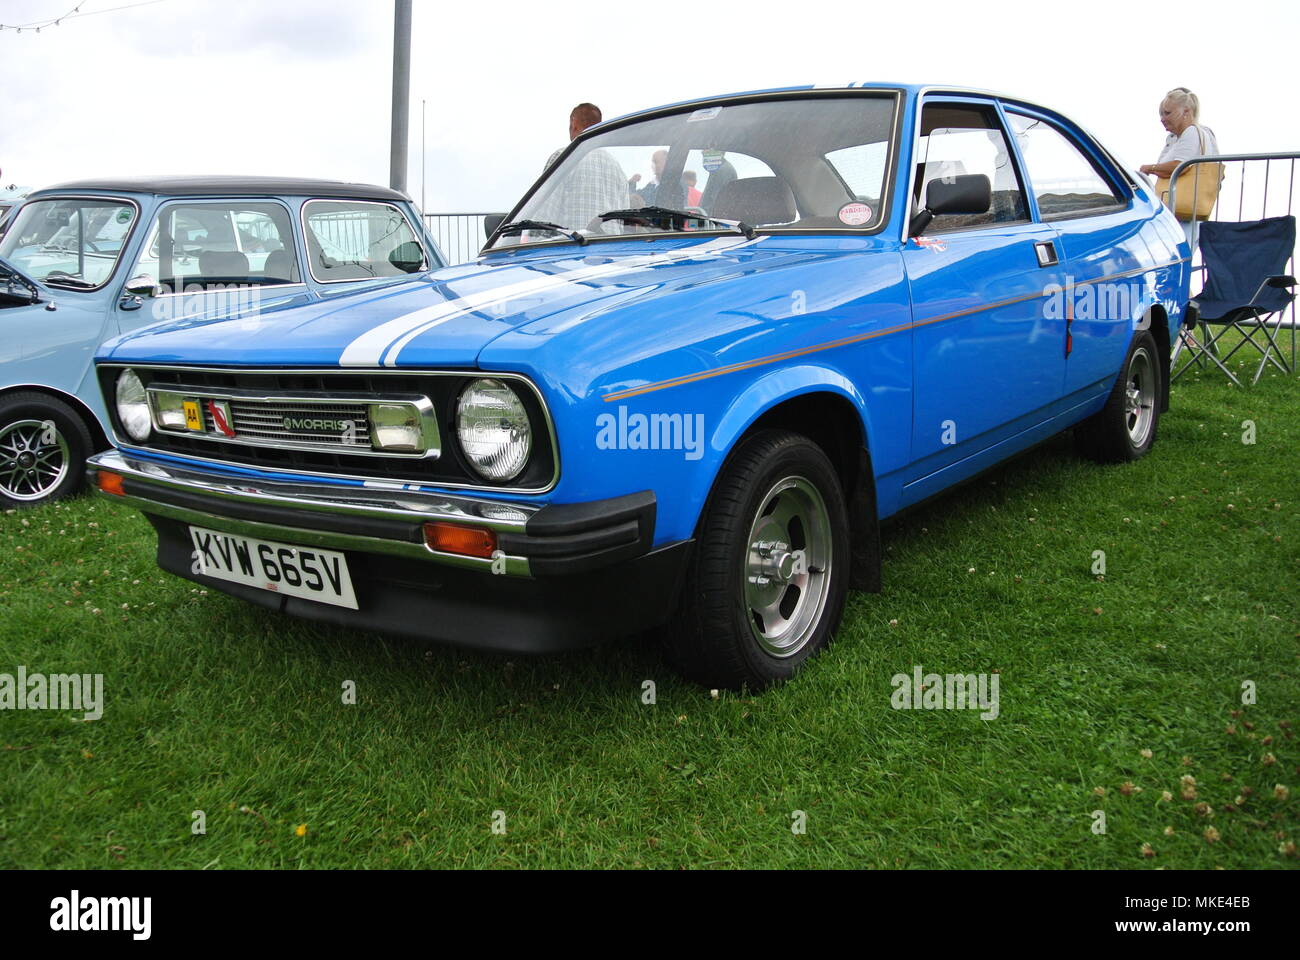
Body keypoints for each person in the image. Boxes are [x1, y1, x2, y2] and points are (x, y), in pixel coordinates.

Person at [1139, 87, 1219, 249]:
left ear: (1186, 111)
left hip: (1183, 208)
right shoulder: (1178, 137)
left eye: (1167, 113)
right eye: (1161, 113)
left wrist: (1150, 168)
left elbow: (1180, 166)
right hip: (1183, 211)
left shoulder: (1192, 132)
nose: (1162, 118)